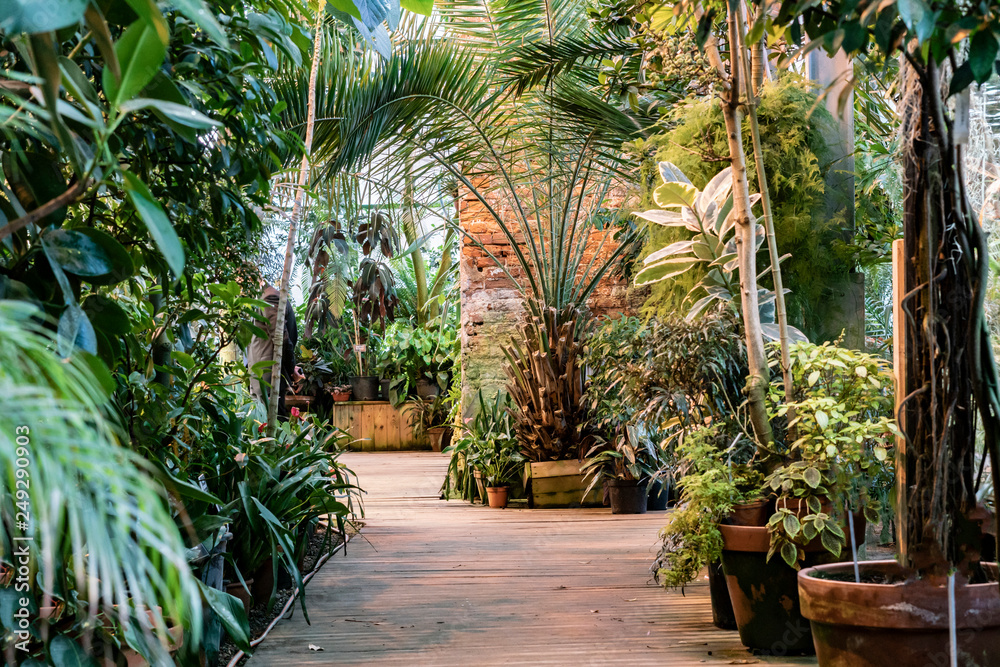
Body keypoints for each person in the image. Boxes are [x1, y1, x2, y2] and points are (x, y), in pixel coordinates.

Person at [248, 283, 298, 418]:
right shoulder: (260, 298)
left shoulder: (270, 297)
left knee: (273, 427)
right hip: (263, 377)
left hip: (270, 378)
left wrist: (291, 368)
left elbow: (280, 338)